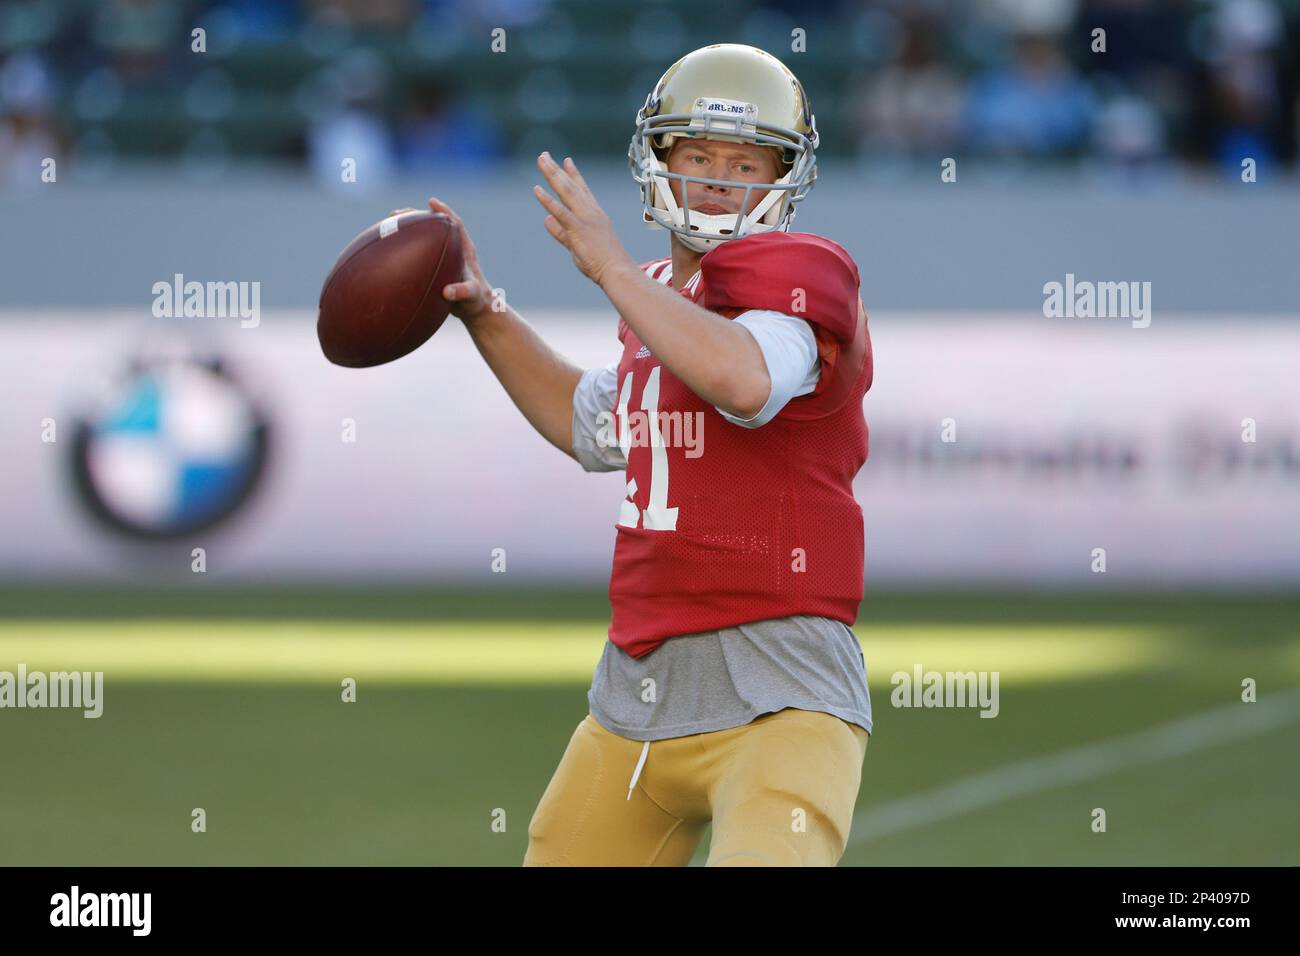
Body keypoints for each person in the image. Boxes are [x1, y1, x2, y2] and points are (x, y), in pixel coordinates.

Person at [417, 43, 874, 865]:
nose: (722, 180)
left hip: (779, 683)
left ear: (786, 176)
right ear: (659, 161)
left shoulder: (804, 272)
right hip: (636, 685)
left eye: (747, 161)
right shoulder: (657, 296)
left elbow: (746, 379)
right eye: (699, 156)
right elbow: (590, 425)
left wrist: (610, 268)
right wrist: (486, 314)